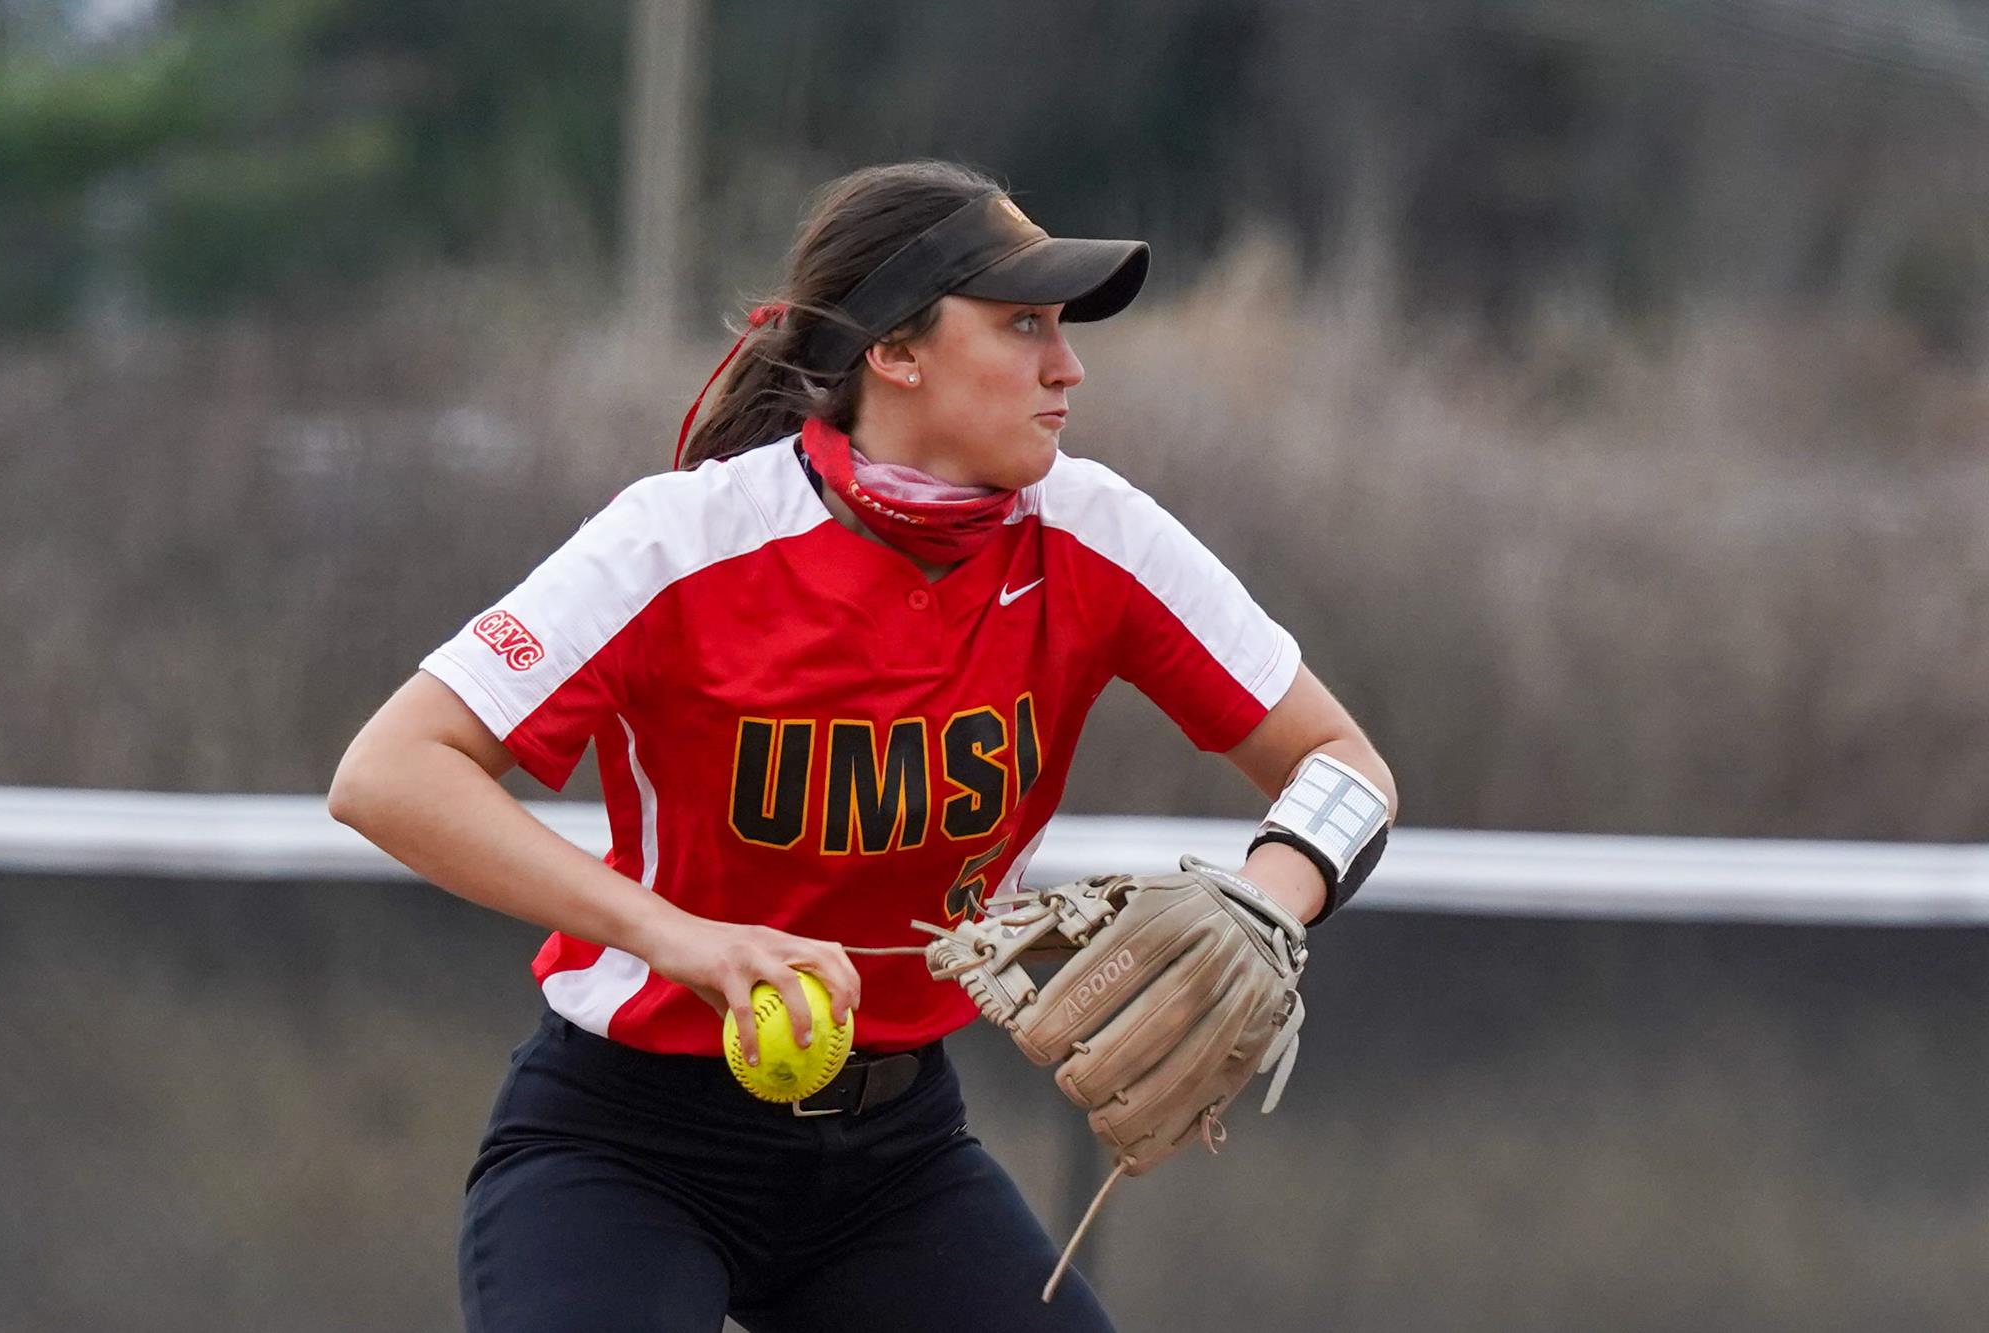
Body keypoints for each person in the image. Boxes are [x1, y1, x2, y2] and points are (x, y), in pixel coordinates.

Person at [328, 158, 1397, 1333]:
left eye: (1062, 330)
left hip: (894, 1160)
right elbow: (389, 771)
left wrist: (1264, 900)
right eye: (1023, 324)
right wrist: (681, 940)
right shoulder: (686, 540)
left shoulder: (1093, 534)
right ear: (895, 351)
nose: (1067, 365)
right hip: (625, 1146)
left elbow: (1345, 763)